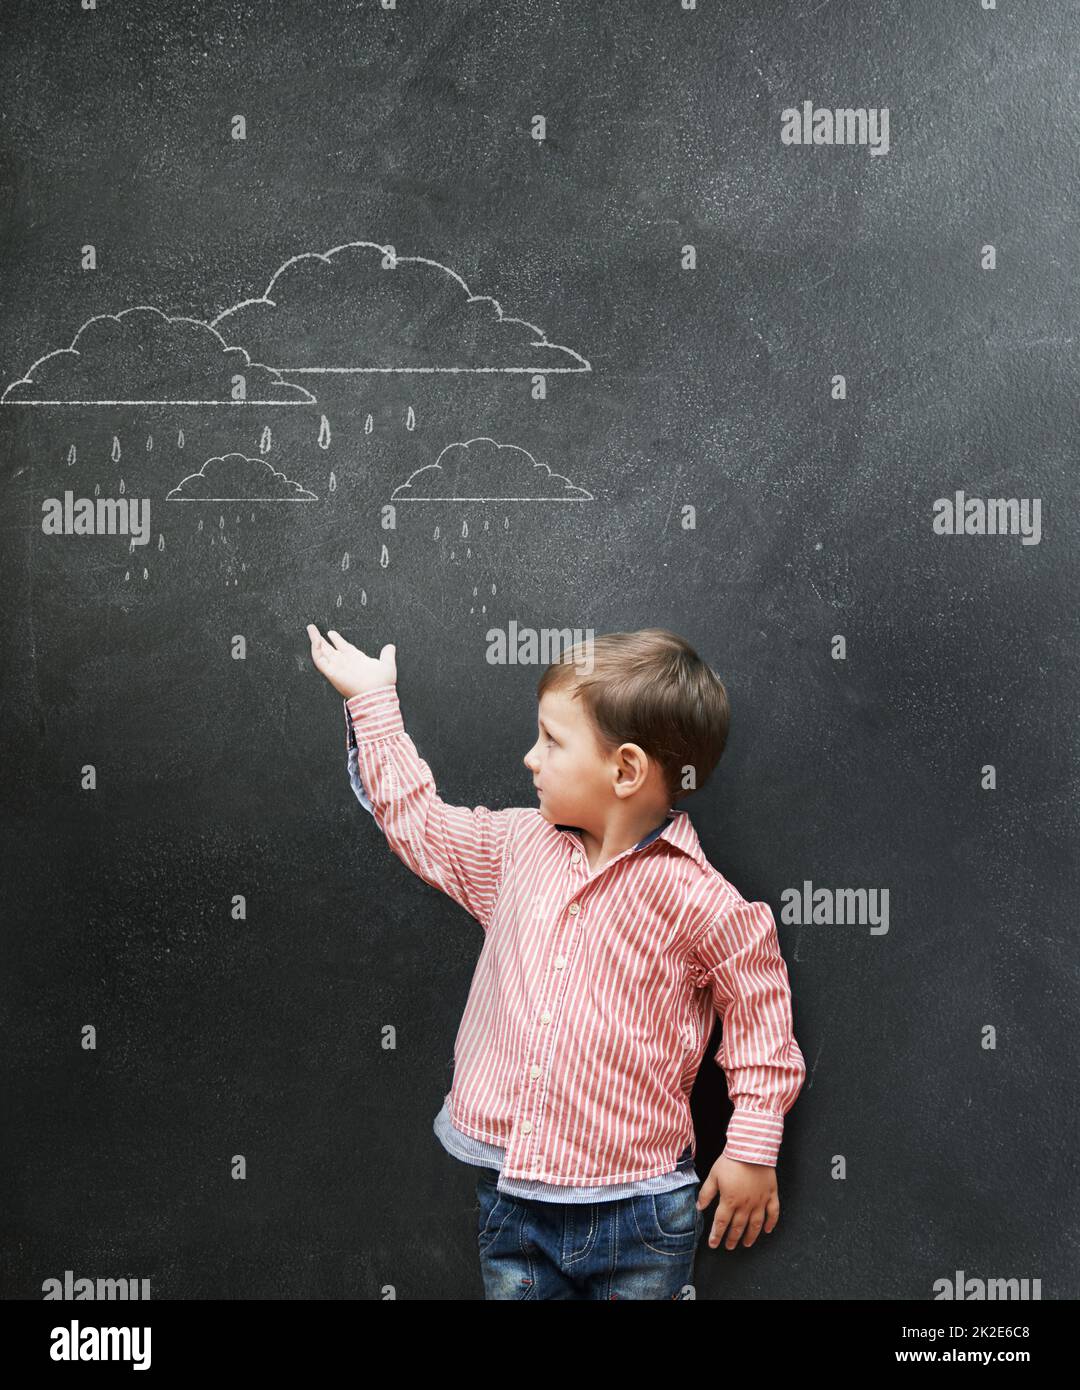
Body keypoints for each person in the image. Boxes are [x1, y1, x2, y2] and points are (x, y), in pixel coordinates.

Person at [306, 623, 806, 1300]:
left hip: (642, 1207)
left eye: (552, 741)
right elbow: (420, 826)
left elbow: (759, 1011)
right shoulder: (516, 849)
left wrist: (751, 1143)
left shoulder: (701, 900)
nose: (530, 759)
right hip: (514, 1201)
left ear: (625, 770)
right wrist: (374, 704)